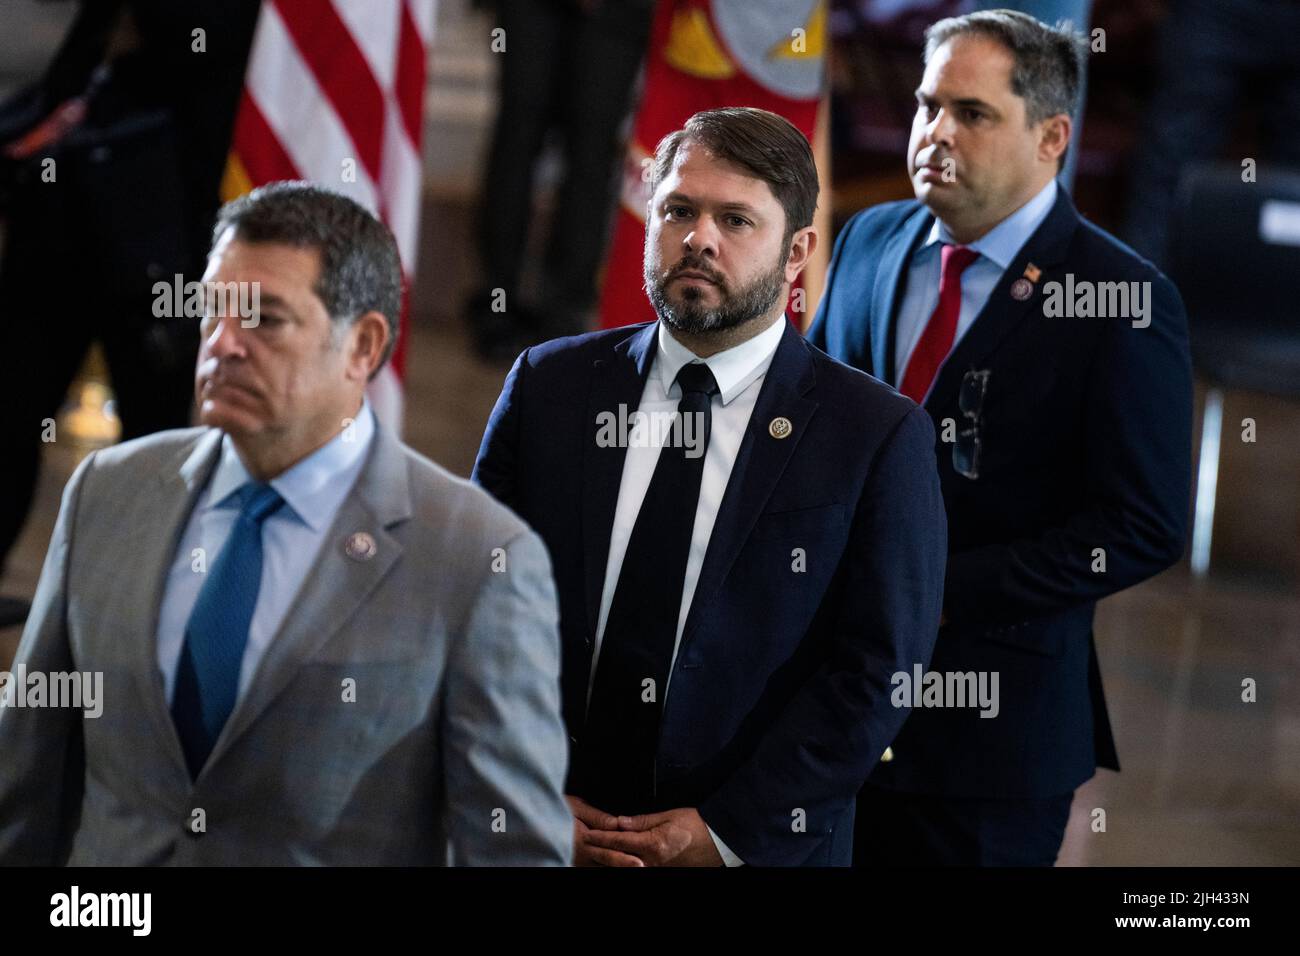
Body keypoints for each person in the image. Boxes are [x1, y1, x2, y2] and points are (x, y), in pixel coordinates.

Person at [0, 182, 572, 866]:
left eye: (264, 320)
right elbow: (25, 791)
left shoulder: (478, 559)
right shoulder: (107, 490)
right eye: (213, 312)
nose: (223, 345)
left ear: (363, 345)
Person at [473, 107, 947, 867]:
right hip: (545, 830)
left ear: (797, 254)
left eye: (735, 219)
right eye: (679, 211)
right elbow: (476, 607)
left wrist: (726, 833)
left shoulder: (875, 435)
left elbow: (878, 673)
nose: (699, 238)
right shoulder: (549, 387)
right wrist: (521, 790)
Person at [809, 9, 1192, 866]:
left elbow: (1142, 526)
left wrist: (937, 590)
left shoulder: (1121, 299)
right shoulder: (870, 240)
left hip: (991, 743)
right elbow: (808, 433)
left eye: (971, 114)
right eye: (925, 105)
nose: (935, 133)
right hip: (830, 711)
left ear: (1053, 136)